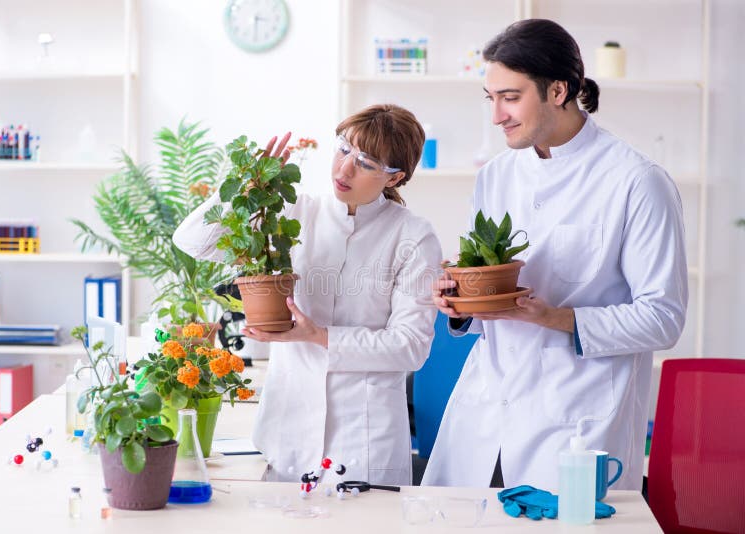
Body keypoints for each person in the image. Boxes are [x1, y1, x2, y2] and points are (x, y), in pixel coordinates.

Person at [422, 19, 688, 491]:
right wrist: (460, 303)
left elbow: (663, 319)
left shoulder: (637, 181)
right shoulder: (496, 177)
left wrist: (558, 318)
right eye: (492, 98)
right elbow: (490, 291)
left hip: (575, 420)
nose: (496, 116)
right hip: (487, 412)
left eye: (510, 97)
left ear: (559, 90)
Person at [173, 104, 442, 485]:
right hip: (287, 433)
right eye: (344, 149)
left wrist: (319, 336)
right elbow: (191, 242)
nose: (345, 168)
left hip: (365, 441)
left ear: (394, 177)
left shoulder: (414, 237)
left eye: (366, 163)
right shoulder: (294, 213)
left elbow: (410, 346)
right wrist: (246, 185)